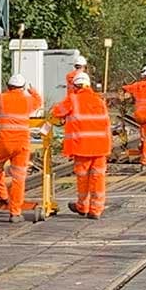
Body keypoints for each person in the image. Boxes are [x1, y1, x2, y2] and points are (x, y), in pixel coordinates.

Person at [0, 74, 43, 223]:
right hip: (22, 146)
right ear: (22, 88)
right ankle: (15, 212)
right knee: (19, 179)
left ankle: (2, 195)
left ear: (8, 86)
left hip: (4, 143)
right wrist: (33, 91)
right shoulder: (28, 100)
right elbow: (39, 102)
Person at [51, 73, 112, 219]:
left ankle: (83, 206)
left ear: (75, 86)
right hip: (100, 147)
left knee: (83, 179)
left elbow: (57, 112)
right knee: (98, 179)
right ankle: (96, 209)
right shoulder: (99, 101)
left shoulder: (73, 99)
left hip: (82, 147)